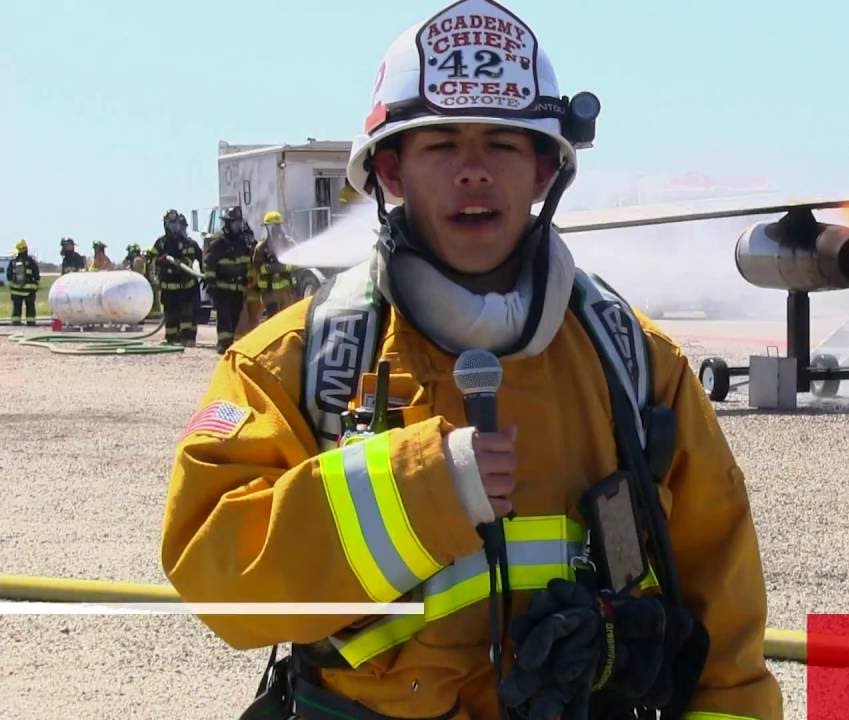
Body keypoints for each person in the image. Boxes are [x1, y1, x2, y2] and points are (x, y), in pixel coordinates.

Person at [160, 2, 781, 719]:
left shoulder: (637, 363)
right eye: (442, 146)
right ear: (390, 171)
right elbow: (217, 577)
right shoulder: (296, 361)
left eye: (504, 145)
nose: (475, 171)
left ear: (546, 170)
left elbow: (725, 625)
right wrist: (426, 487)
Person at [204, 206, 255, 353]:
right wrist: (211, 286)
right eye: (234, 223)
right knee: (224, 318)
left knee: (235, 318)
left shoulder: (244, 242)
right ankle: (224, 345)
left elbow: (252, 260)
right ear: (227, 224)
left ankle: (233, 346)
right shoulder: (218, 242)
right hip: (222, 289)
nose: (238, 226)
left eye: (239, 223)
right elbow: (210, 265)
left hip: (239, 290)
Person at [152, 209, 203, 346]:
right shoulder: (161, 243)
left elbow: (200, 259)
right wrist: (158, 260)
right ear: (166, 224)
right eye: (171, 223)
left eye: (176, 223)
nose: (174, 227)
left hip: (186, 288)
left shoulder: (189, 243)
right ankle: (171, 339)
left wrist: (206, 276)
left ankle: (187, 340)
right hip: (168, 290)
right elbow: (151, 260)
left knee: (187, 315)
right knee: (171, 317)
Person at [254, 210, 297, 319]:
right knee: (273, 321)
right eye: (272, 226)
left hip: (286, 292)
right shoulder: (261, 248)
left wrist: (286, 267)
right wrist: (271, 268)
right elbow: (256, 268)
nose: (276, 229)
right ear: (267, 228)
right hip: (269, 293)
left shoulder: (289, 243)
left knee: (286, 320)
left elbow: (296, 264)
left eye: (278, 226)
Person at [6, 240, 39, 326]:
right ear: (26, 248)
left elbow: (8, 275)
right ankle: (31, 321)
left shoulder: (13, 261)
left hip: (16, 290)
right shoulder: (30, 261)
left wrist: (12, 284)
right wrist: (36, 284)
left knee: (17, 306)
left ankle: (16, 321)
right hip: (29, 290)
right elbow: (36, 274)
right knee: (30, 306)